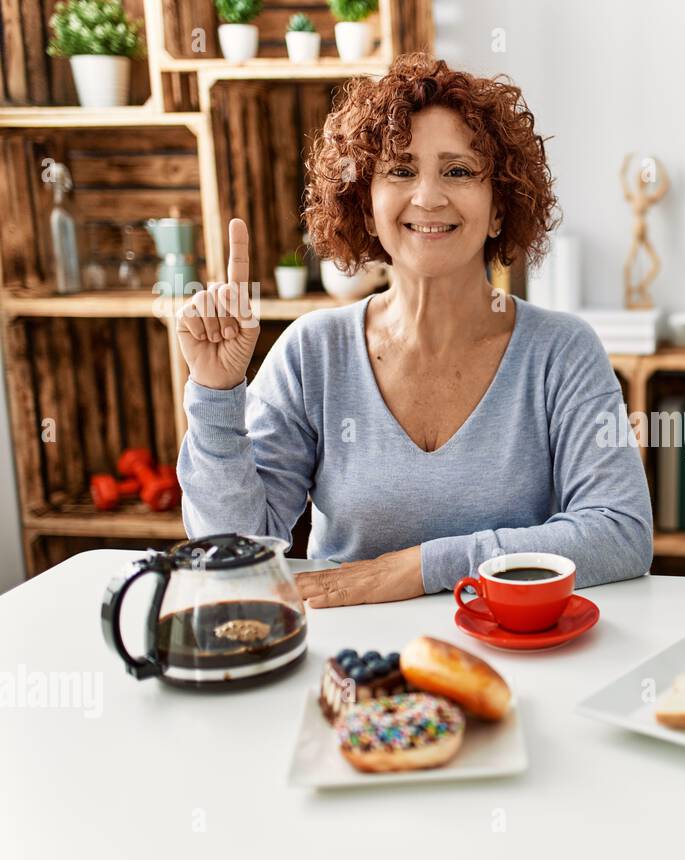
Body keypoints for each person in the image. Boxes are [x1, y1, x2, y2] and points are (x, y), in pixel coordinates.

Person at [175, 54, 652, 608]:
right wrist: (214, 394)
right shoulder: (314, 352)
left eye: (458, 171)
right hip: (347, 662)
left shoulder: (562, 352)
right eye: (401, 170)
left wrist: (419, 568)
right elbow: (233, 550)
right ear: (367, 204)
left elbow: (620, 534)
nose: (428, 197)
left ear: (499, 208)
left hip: (513, 655)